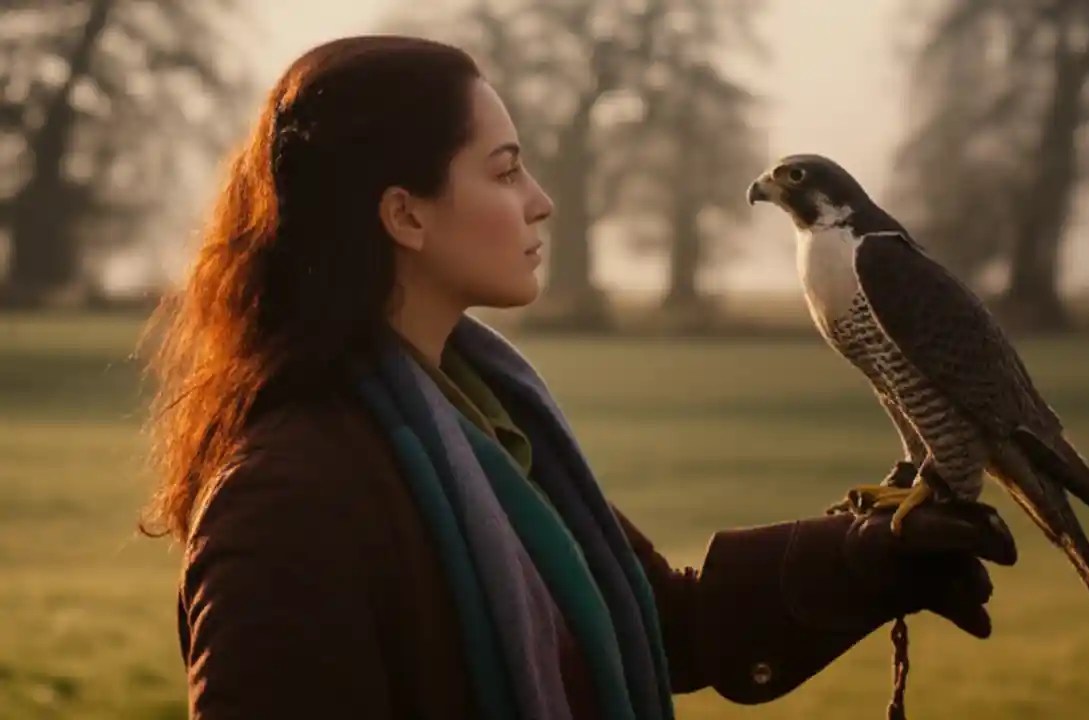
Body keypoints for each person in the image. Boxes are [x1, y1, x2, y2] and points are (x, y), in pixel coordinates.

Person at [142, 35, 1017, 720]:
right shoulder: (285, 499)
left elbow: (650, 624)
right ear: (404, 213)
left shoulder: (493, 421)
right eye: (505, 169)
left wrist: (866, 560)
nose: (540, 200)